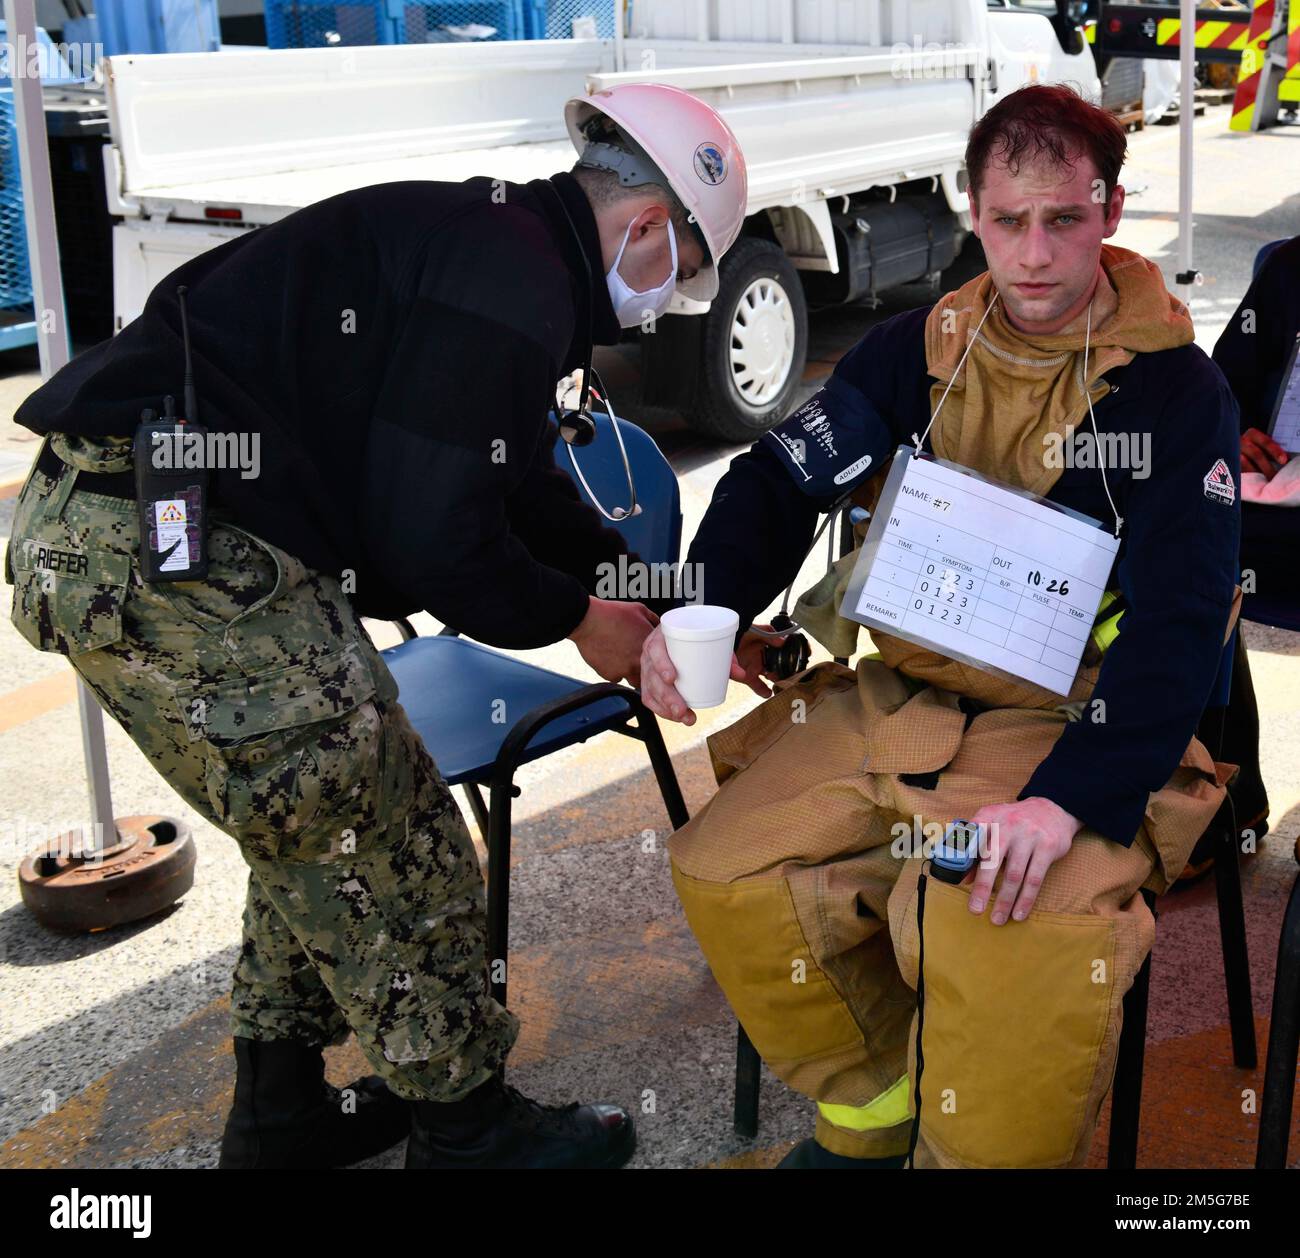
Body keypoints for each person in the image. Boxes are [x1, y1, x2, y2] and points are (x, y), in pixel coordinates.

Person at [7, 84, 746, 1169]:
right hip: (169, 541)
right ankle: (469, 1133)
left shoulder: (497, 247)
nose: (663, 300)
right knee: (392, 829)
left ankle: (280, 1117)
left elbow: (520, 484)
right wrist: (583, 620)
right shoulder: (514, 282)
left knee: (312, 823)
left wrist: (649, 597)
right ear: (645, 225)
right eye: (678, 273)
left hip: (135, 524)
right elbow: (434, 535)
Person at [639, 84, 1240, 1169]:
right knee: (729, 868)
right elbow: (778, 479)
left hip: (1071, 723)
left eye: (1064, 219)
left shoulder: (1173, 389)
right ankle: (872, 1113)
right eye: (1007, 220)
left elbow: (1184, 620)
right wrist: (707, 600)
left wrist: (1069, 799)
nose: (1035, 253)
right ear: (972, 208)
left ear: (1107, 208)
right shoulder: (917, 348)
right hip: (903, 700)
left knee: (1011, 926)